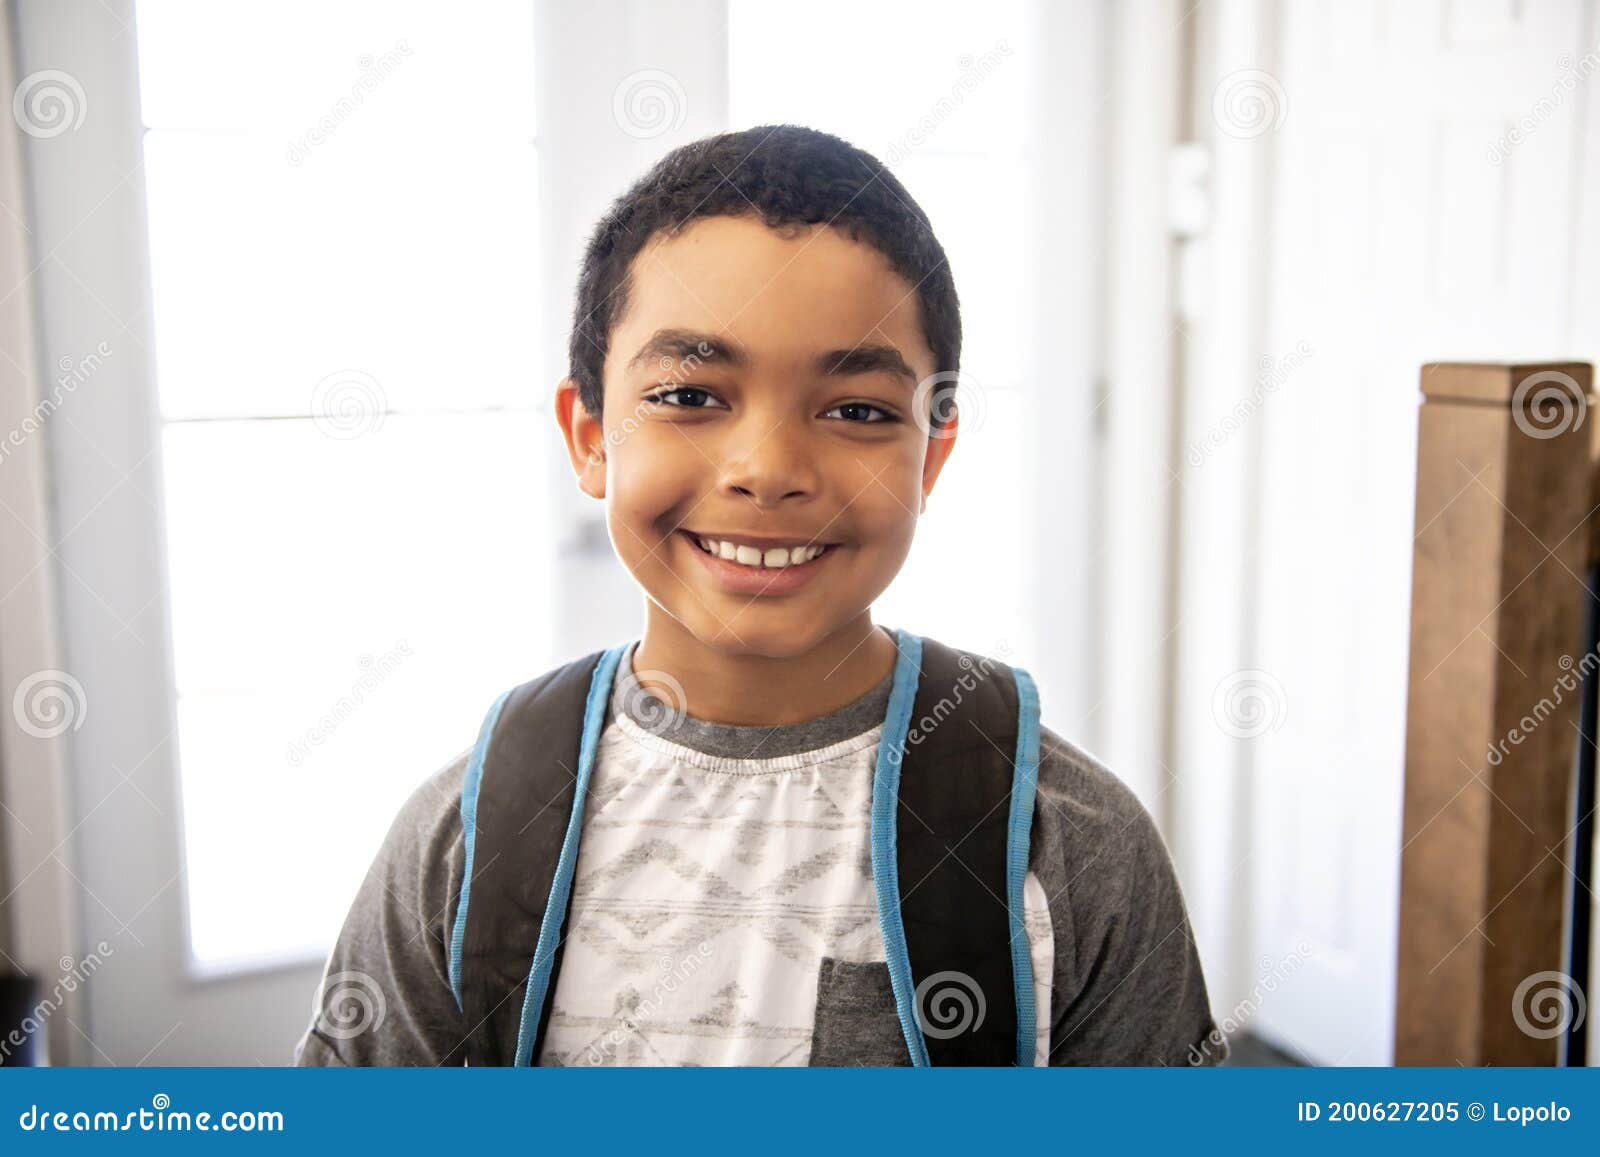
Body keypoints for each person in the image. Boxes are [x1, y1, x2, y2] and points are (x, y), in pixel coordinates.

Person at [293, 124, 1221, 1067]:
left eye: (856, 410)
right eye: (691, 396)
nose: (768, 470)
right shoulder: (465, 841)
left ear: (929, 454)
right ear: (590, 438)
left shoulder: (1066, 843)